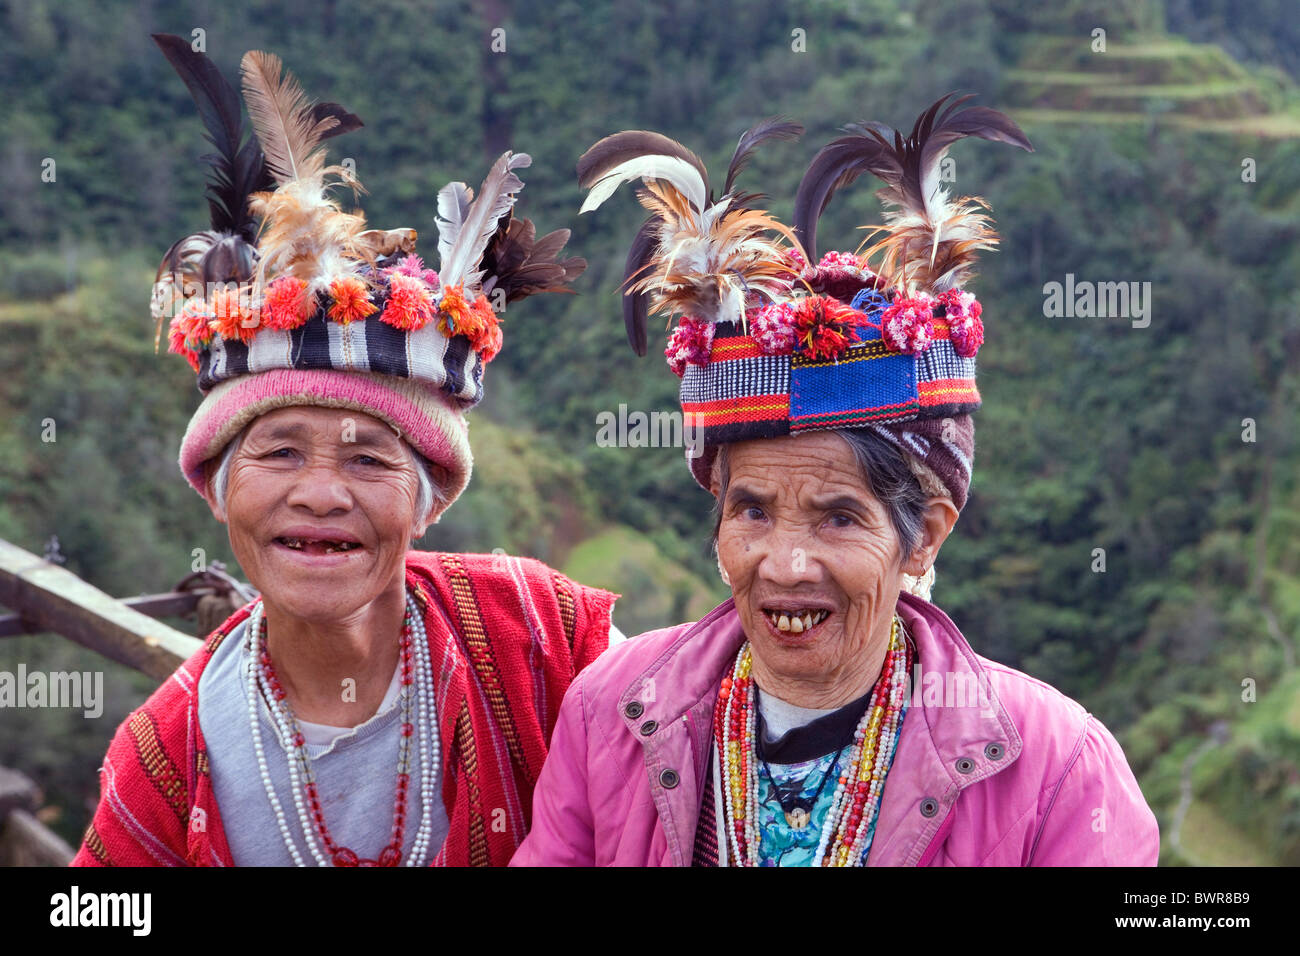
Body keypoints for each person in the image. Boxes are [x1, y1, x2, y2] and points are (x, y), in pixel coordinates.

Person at [512, 95, 1161, 866]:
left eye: (840, 518)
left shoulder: (1060, 772)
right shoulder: (609, 716)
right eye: (751, 509)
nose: (784, 565)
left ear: (926, 535)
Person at [71, 36, 614, 867]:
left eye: (369, 460)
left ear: (432, 496)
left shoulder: (542, 637)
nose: (321, 495)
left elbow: (691, 763)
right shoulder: (168, 754)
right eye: (279, 452)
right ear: (214, 488)